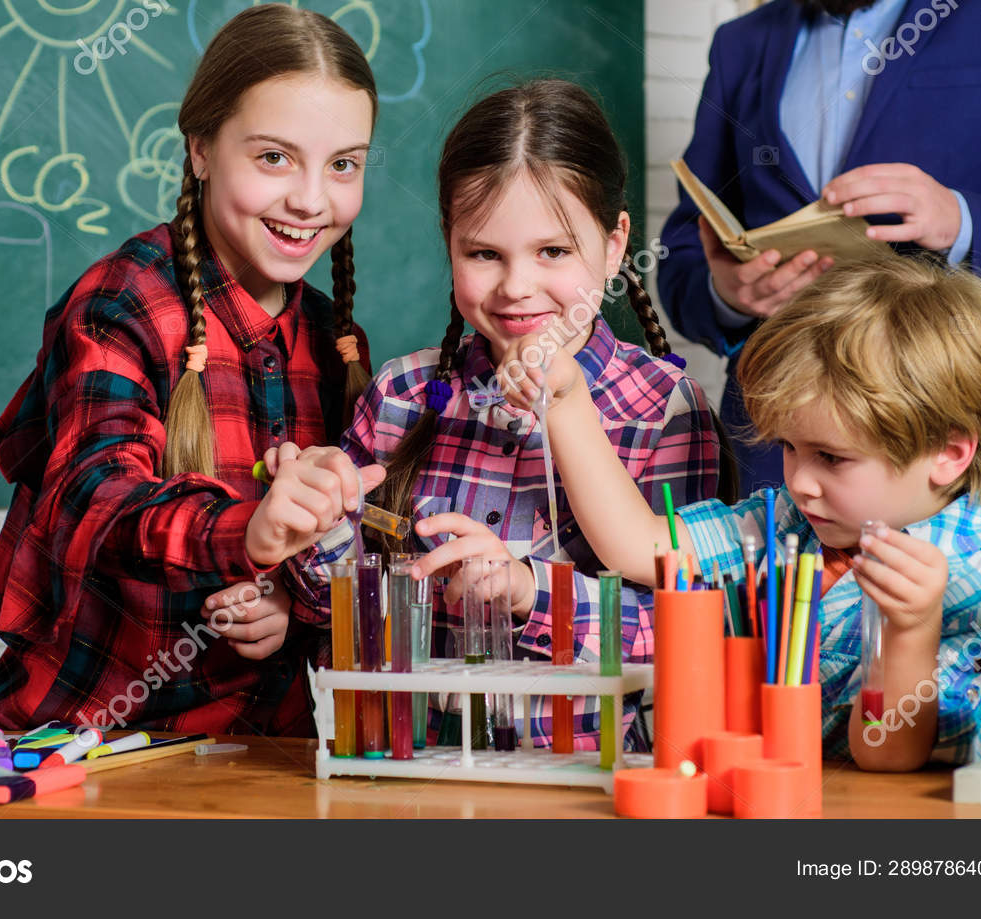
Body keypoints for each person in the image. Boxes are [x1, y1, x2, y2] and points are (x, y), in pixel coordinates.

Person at [0, 5, 384, 735]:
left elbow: (346, 557)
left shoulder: (336, 341)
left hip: (260, 757)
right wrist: (246, 533)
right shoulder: (122, 302)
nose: (311, 199)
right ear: (200, 149)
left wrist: (293, 601)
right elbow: (92, 498)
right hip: (93, 745)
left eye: (343, 164)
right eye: (274, 158)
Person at [286, 80, 724, 748]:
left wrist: (528, 592)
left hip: (588, 786)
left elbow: (687, 640)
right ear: (449, 243)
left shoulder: (664, 409)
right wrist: (315, 522)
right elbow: (326, 613)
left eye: (554, 252)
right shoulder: (403, 395)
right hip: (411, 775)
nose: (517, 287)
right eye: (484, 253)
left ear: (614, 246)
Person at [514, 256, 981, 768]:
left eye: (831, 457)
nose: (799, 481)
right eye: (790, 447)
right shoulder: (789, 523)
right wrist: (566, 401)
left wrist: (909, 633)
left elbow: (885, 752)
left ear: (948, 454)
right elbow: (637, 546)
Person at [659, 0, 981, 488]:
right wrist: (728, 294)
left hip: (959, 449)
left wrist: (959, 222)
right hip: (775, 462)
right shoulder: (741, 43)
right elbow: (680, 259)